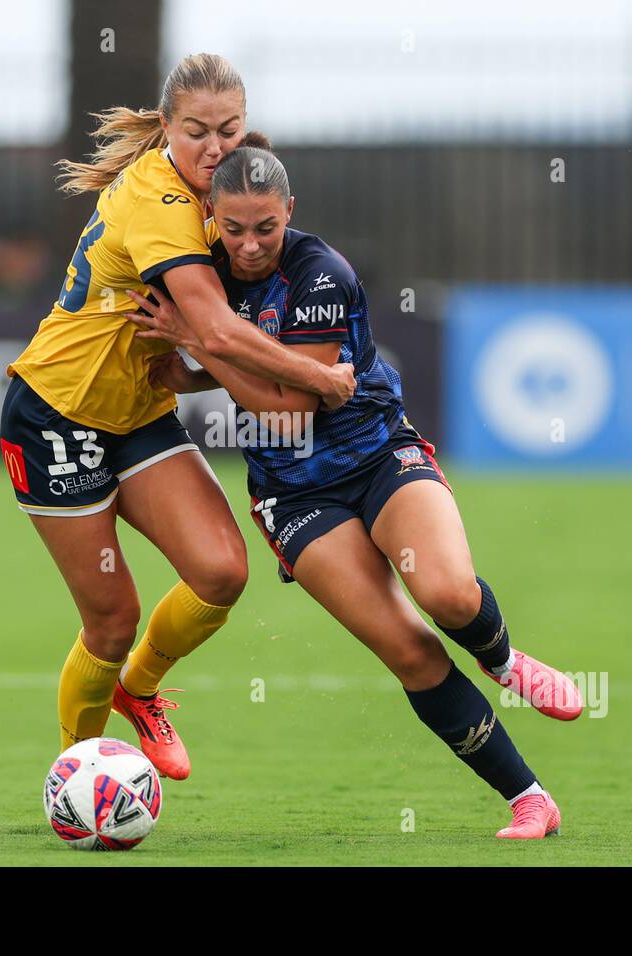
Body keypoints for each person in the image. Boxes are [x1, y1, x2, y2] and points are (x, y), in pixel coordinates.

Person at [127, 137, 582, 838]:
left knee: (448, 594)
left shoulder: (320, 275)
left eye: (266, 227)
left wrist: (202, 340)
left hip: (376, 456)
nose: (250, 245)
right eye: (235, 228)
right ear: (211, 216)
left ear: (290, 211)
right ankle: (530, 799)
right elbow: (217, 371)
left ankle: (502, 660)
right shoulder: (202, 275)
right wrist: (183, 360)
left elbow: (290, 407)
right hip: (293, 495)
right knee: (410, 650)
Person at [0, 54, 357, 781]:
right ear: (167, 127)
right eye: (197, 131)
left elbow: (213, 337)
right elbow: (218, 330)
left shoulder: (226, 196)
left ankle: (138, 689)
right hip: (57, 414)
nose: (215, 147)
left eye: (229, 130)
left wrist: (202, 369)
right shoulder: (161, 202)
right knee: (112, 620)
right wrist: (321, 377)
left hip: (137, 411)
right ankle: (76, 781)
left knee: (221, 572)